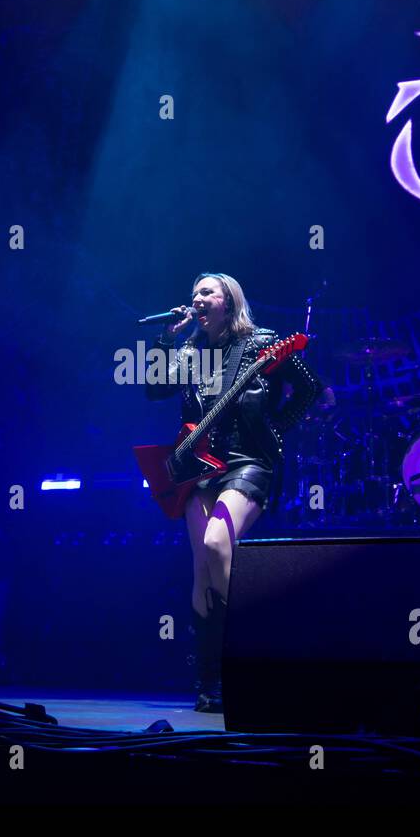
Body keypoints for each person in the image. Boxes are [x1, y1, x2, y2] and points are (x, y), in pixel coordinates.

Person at [146, 273, 322, 712]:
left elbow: (310, 388)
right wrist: (167, 340)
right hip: (199, 467)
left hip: (248, 462)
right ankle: (211, 683)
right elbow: (153, 388)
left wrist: (274, 430)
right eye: (193, 295)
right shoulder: (190, 351)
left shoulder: (264, 342)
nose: (197, 299)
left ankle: (254, 651)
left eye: (206, 292)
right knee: (202, 571)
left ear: (228, 300)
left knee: (217, 543)